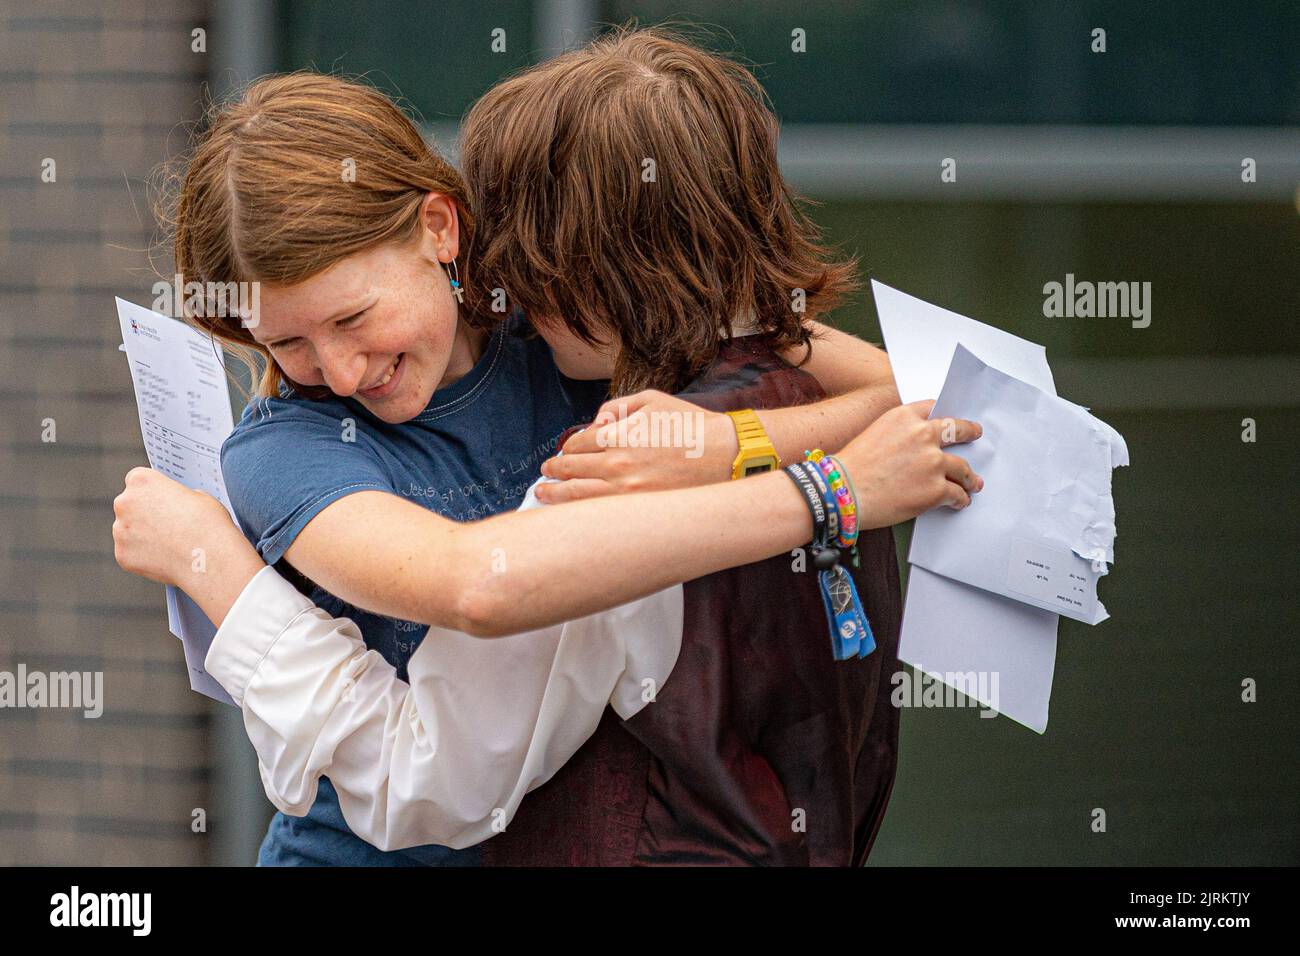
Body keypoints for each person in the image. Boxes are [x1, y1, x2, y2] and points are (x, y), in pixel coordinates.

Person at [113, 57, 982, 866]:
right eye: (288, 341)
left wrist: (729, 445)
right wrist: (832, 492)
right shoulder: (283, 449)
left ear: (438, 229)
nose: (340, 372)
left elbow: (918, 391)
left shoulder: (556, 312)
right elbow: (474, 582)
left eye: (353, 319)